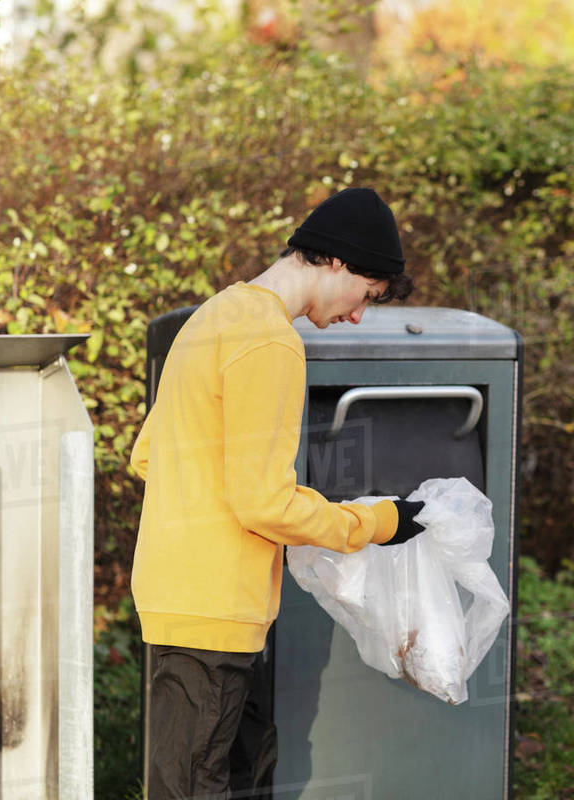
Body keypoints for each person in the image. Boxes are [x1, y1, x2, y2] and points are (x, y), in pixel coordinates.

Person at [129, 187, 428, 800]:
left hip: (183, 600)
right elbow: (264, 502)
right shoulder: (270, 342)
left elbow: (145, 455)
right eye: (366, 297)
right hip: (218, 613)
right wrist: (376, 522)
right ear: (338, 262)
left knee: (216, 777)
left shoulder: (213, 316)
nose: (357, 316)